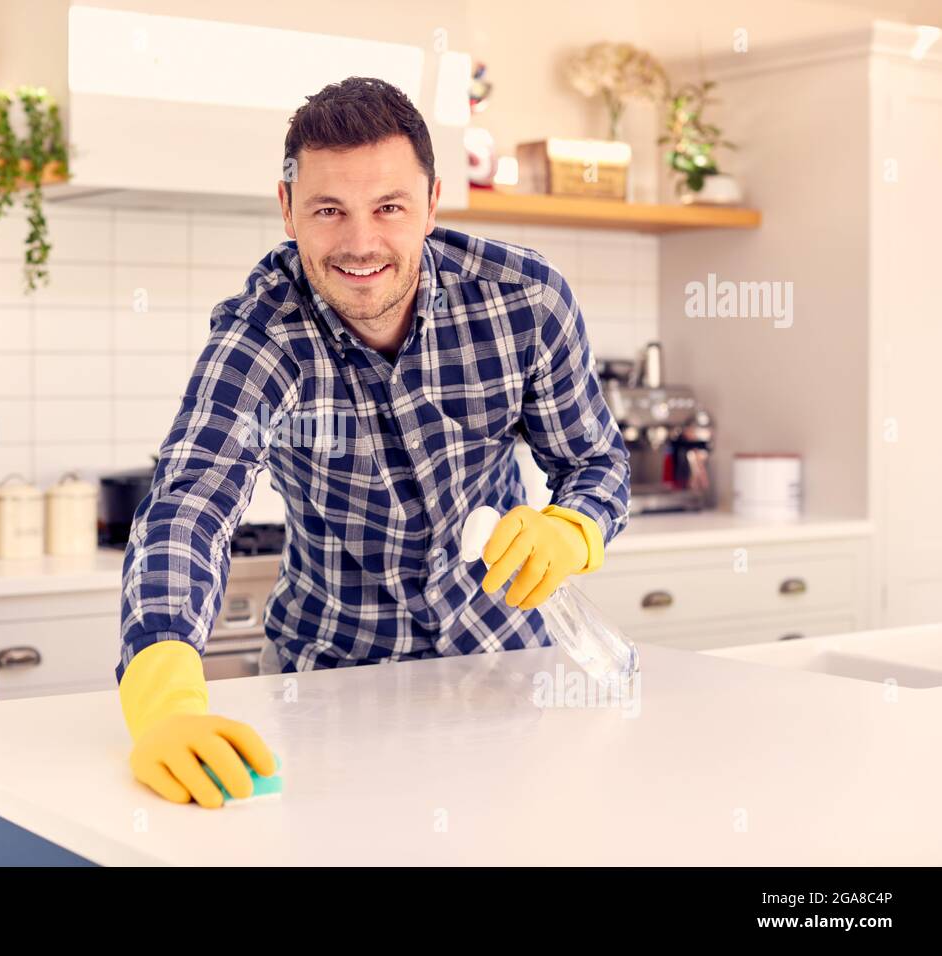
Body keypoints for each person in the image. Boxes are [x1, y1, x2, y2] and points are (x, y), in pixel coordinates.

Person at [115, 76, 631, 808]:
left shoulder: (525, 301)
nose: (361, 244)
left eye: (389, 207)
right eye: (330, 210)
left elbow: (595, 462)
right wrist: (163, 696)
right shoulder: (262, 335)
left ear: (431, 202)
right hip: (328, 687)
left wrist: (571, 530)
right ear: (288, 209)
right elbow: (190, 507)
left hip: (511, 675)